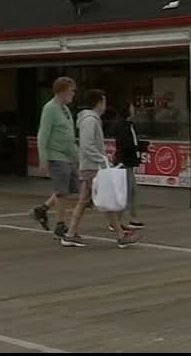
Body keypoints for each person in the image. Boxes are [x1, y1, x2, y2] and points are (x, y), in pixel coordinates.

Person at [61, 89, 139, 249]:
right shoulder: (91, 120)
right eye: (103, 101)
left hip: (89, 166)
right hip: (93, 167)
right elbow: (87, 145)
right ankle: (120, 236)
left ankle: (70, 234)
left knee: (84, 201)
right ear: (98, 102)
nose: (105, 105)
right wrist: (102, 161)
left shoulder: (89, 119)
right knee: (106, 199)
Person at [30, 77, 79, 239]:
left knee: (68, 188)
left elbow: (68, 135)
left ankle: (43, 209)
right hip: (56, 155)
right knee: (61, 192)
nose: (73, 94)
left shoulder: (64, 109)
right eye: (71, 90)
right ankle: (60, 225)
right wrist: (43, 158)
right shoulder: (50, 108)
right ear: (62, 91)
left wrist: (77, 155)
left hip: (68, 156)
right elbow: (43, 135)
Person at [109, 103, 147, 231]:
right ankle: (117, 220)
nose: (133, 109)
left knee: (132, 190)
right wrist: (137, 148)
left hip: (129, 161)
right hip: (124, 161)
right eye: (131, 107)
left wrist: (141, 147)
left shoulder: (130, 125)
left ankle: (132, 217)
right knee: (126, 190)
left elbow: (132, 142)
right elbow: (125, 144)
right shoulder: (122, 126)